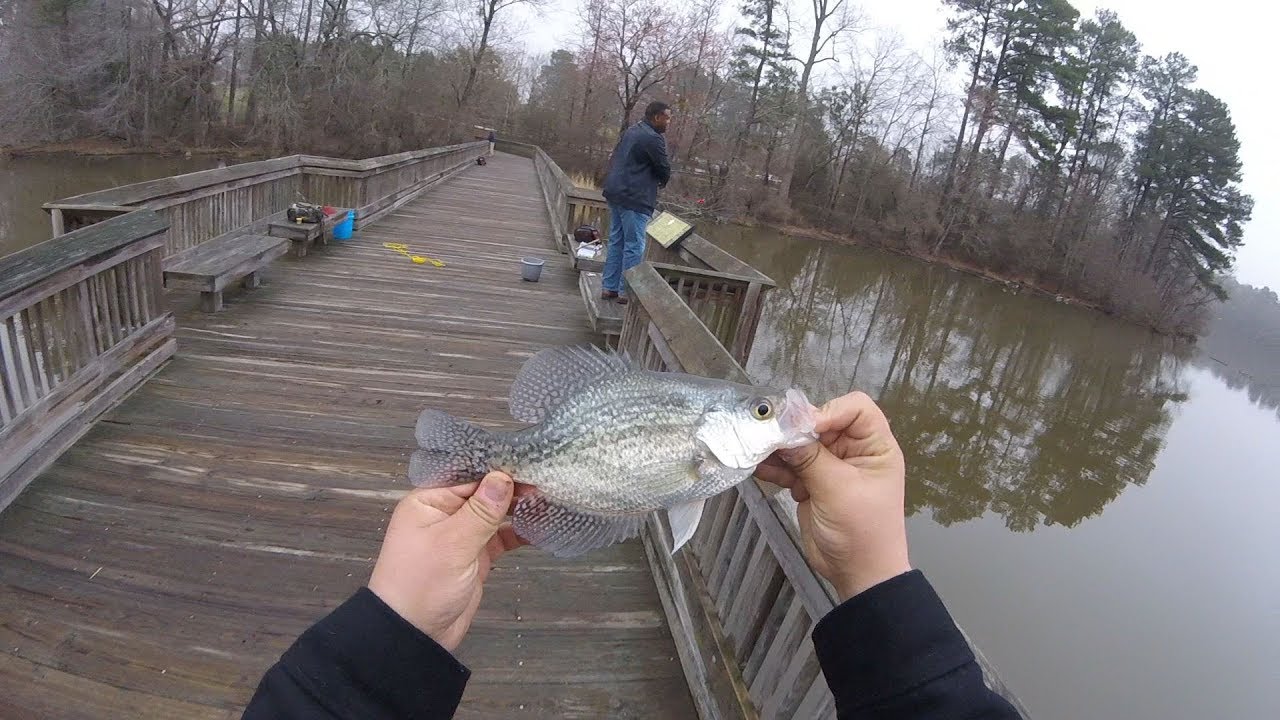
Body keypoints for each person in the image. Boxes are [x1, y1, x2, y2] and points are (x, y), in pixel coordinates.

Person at [241, 392, 1021, 719]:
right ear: (721, 423)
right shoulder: (708, 454)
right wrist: (880, 574)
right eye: (756, 412)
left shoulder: (718, 459)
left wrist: (390, 631)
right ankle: (483, 454)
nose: (770, 419)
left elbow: (688, 494)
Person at [600, 101, 672, 305]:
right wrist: (662, 180)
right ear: (657, 117)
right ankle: (626, 291)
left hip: (616, 192)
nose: (669, 122)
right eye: (667, 117)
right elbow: (664, 168)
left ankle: (609, 287)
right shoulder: (653, 138)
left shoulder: (632, 130)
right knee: (634, 246)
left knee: (616, 241)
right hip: (635, 197)